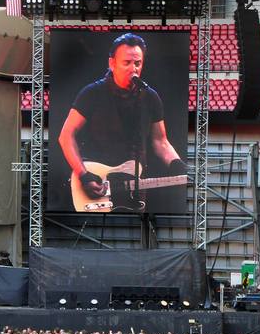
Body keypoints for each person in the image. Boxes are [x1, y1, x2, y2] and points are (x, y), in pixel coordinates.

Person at [57, 33, 187, 213]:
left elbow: (160, 141)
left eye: (137, 63)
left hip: (134, 187)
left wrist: (177, 165)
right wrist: (84, 175)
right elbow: (66, 136)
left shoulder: (149, 96)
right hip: (95, 181)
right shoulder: (92, 93)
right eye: (127, 63)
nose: (133, 69)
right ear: (112, 63)